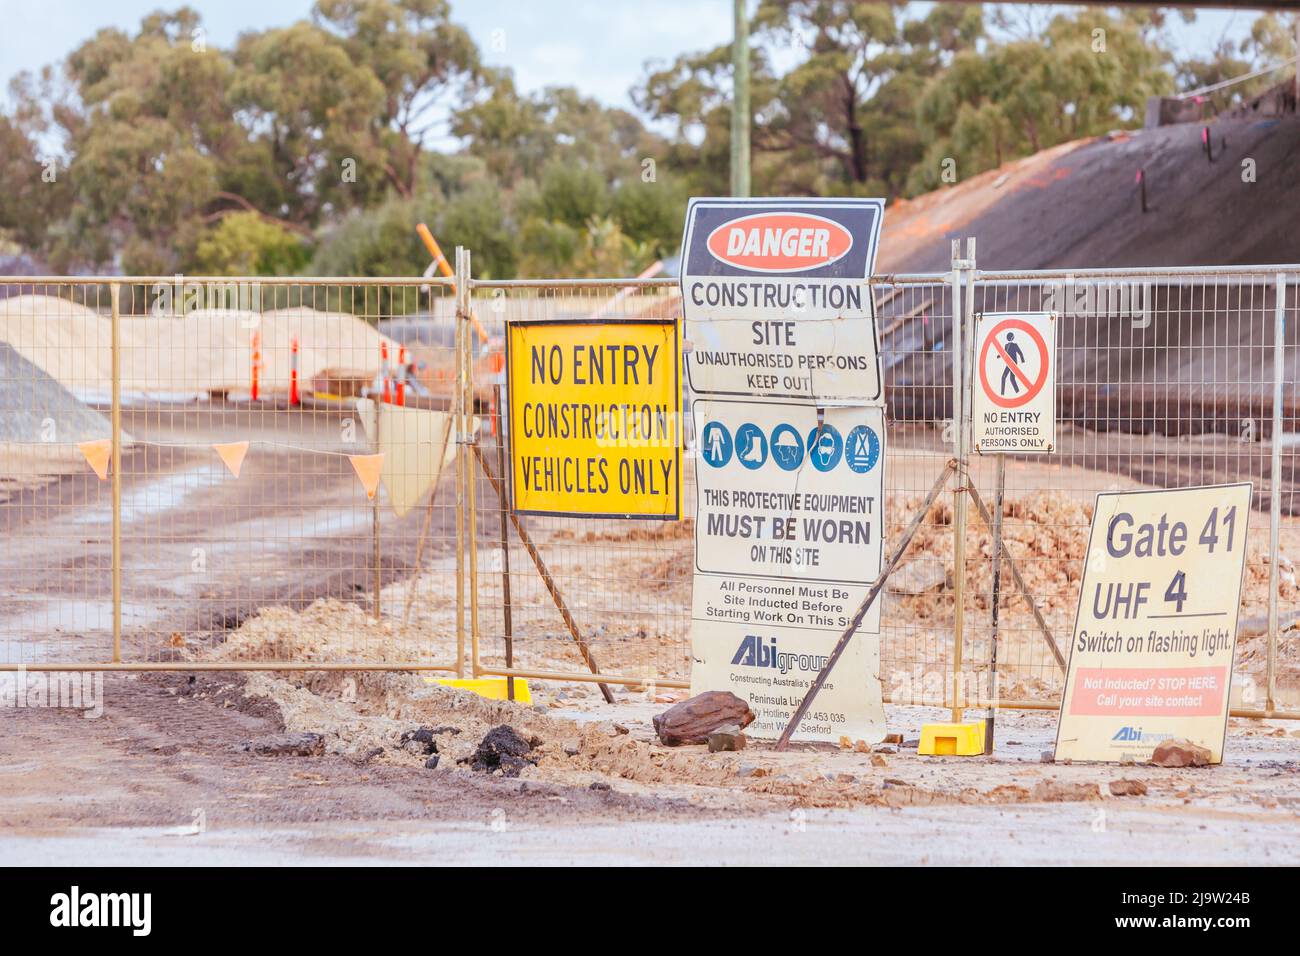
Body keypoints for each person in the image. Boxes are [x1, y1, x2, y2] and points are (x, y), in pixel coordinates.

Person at [1000, 331, 1026, 396]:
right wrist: (999, 356)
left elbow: (1020, 353)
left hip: (1013, 364)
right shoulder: (1006, 345)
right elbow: (1004, 353)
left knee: (1010, 378)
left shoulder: (1015, 345)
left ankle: (1017, 392)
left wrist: (1023, 361)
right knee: (1006, 378)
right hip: (1008, 363)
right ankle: (1003, 394)